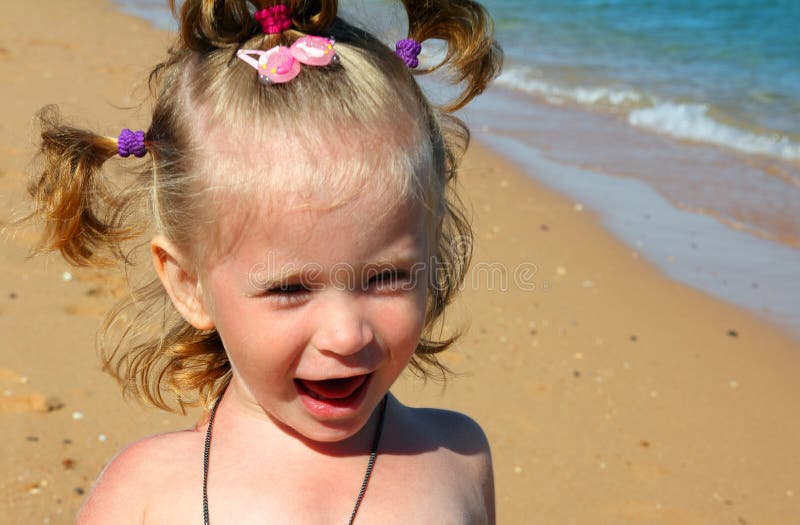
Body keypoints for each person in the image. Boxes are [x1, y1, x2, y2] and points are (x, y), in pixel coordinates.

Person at [27, 0, 502, 522]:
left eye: (386, 276)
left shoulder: (456, 457)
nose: (346, 336)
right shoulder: (149, 490)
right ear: (189, 284)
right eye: (289, 289)